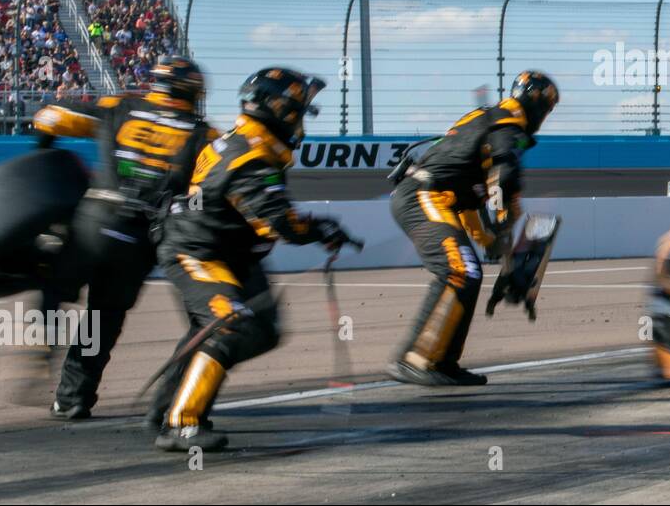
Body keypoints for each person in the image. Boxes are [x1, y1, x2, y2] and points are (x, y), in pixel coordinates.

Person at [150, 67, 354, 452]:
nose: (300, 119)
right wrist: (322, 229)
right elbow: (281, 222)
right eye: (297, 110)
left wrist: (317, 228)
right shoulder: (252, 156)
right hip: (197, 250)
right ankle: (181, 423)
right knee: (231, 324)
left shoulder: (243, 140)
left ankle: (163, 408)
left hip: (227, 251)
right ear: (277, 109)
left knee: (260, 328)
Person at [33, 56, 215, 419]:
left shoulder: (120, 106)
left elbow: (49, 116)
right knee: (103, 318)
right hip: (139, 239)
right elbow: (209, 192)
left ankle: (44, 328)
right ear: (193, 93)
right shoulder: (203, 135)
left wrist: (44, 148)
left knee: (50, 280)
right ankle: (71, 399)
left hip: (93, 220)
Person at [386, 70, 559, 387]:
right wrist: (505, 221)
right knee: (460, 271)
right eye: (547, 110)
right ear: (538, 106)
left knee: (469, 272)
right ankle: (414, 358)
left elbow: (469, 199)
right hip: (423, 196)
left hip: (434, 197)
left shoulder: (487, 118)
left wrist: (492, 242)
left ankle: (442, 360)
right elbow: (503, 178)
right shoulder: (508, 125)